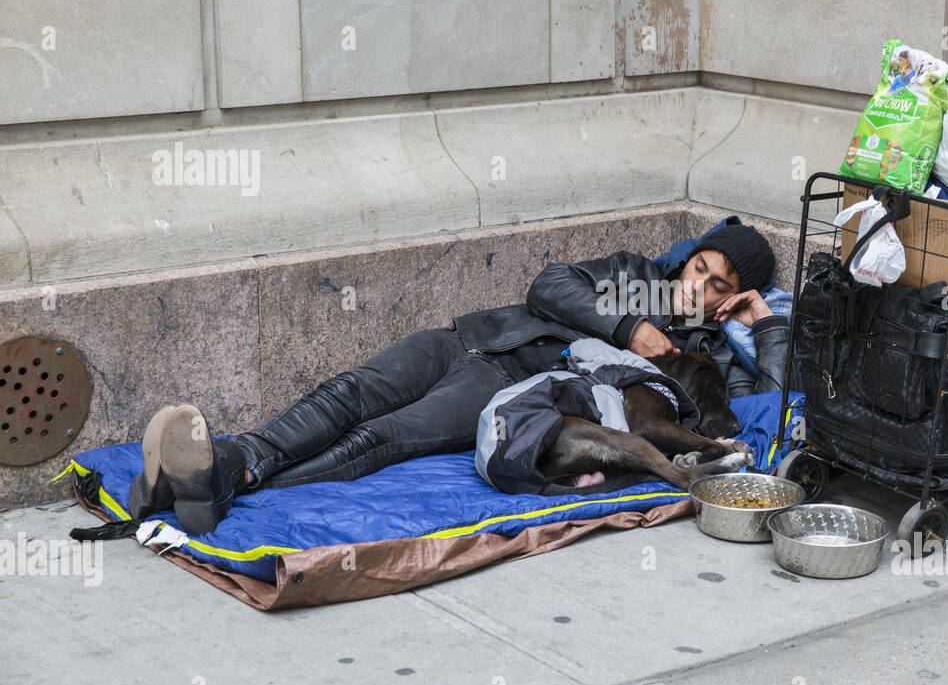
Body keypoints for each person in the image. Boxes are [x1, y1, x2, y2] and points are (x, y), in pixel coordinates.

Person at [132, 223, 790, 534]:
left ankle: (216, 479)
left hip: (513, 387)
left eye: (718, 286)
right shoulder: (635, 280)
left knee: (379, 437)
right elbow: (550, 285)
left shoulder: (702, 356)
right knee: (345, 393)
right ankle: (229, 461)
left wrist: (764, 324)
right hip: (466, 339)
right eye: (699, 267)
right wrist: (630, 329)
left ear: (729, 300)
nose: (697, 285)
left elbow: (768, 409)